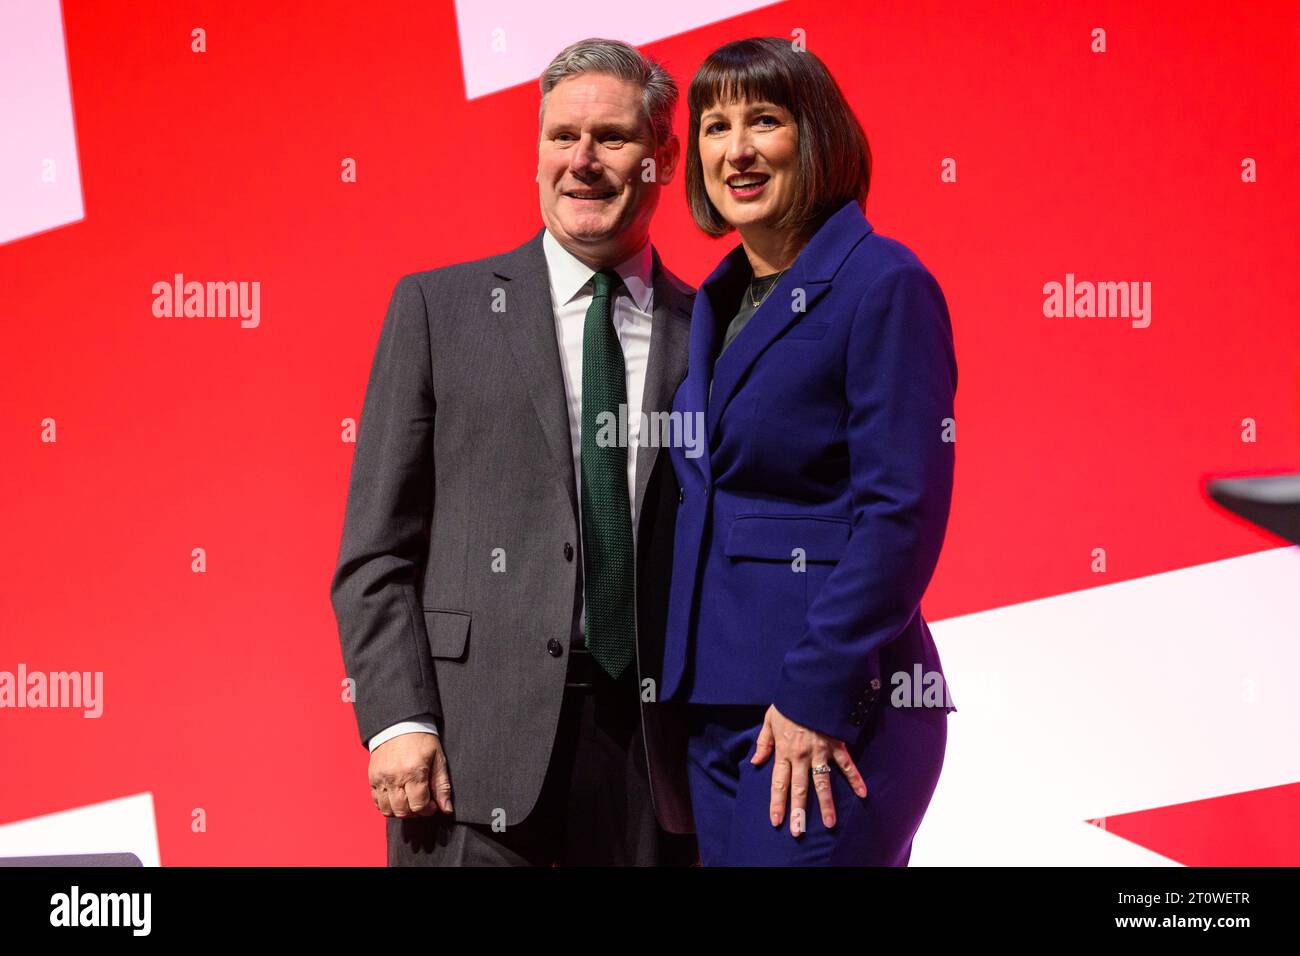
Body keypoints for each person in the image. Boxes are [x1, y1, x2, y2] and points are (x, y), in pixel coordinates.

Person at [329, 37, 698, 866]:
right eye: (561, 137)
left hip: (653, 759)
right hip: (466, 754)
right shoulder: (438, 310)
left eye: (611, 139)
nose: (582, 162)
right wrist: (398, 719)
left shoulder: (710, 328)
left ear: (664, 159)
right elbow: (375, 551)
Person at [660, 37, 959, 866]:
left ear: (817, 136)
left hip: (830, 709)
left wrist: (814, 692)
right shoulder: (719, 298)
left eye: (764, 120)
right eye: (715, 126)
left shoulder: (883, 284)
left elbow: (899, 513)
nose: (736, 150)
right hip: (719, 706)